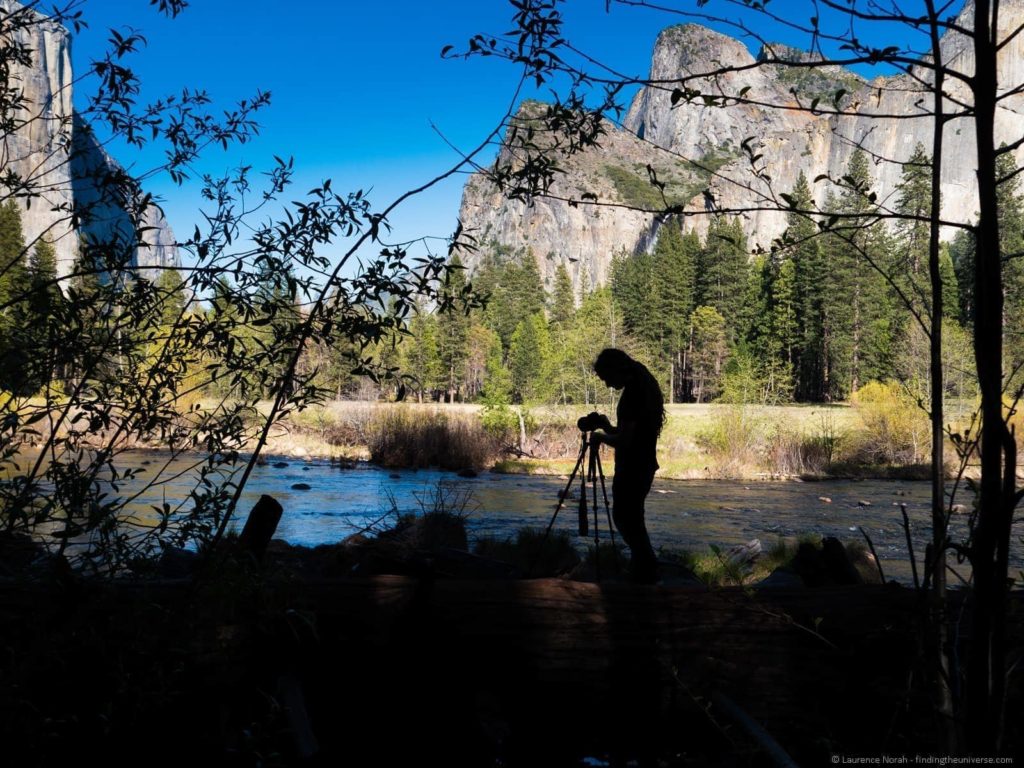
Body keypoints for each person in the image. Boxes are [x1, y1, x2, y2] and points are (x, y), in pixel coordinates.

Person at [587, 348, 665, 584]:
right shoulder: (642, 382)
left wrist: (600, 437)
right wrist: (607, 426)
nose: (608, 385)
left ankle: (646, 571)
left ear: (615, 370)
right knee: (632, 520)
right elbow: (627, 433)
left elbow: (625, 441)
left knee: (625, 519)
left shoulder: (634, 393)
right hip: (642, 465)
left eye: (607, 379)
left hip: (634, 467)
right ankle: (643, 569)